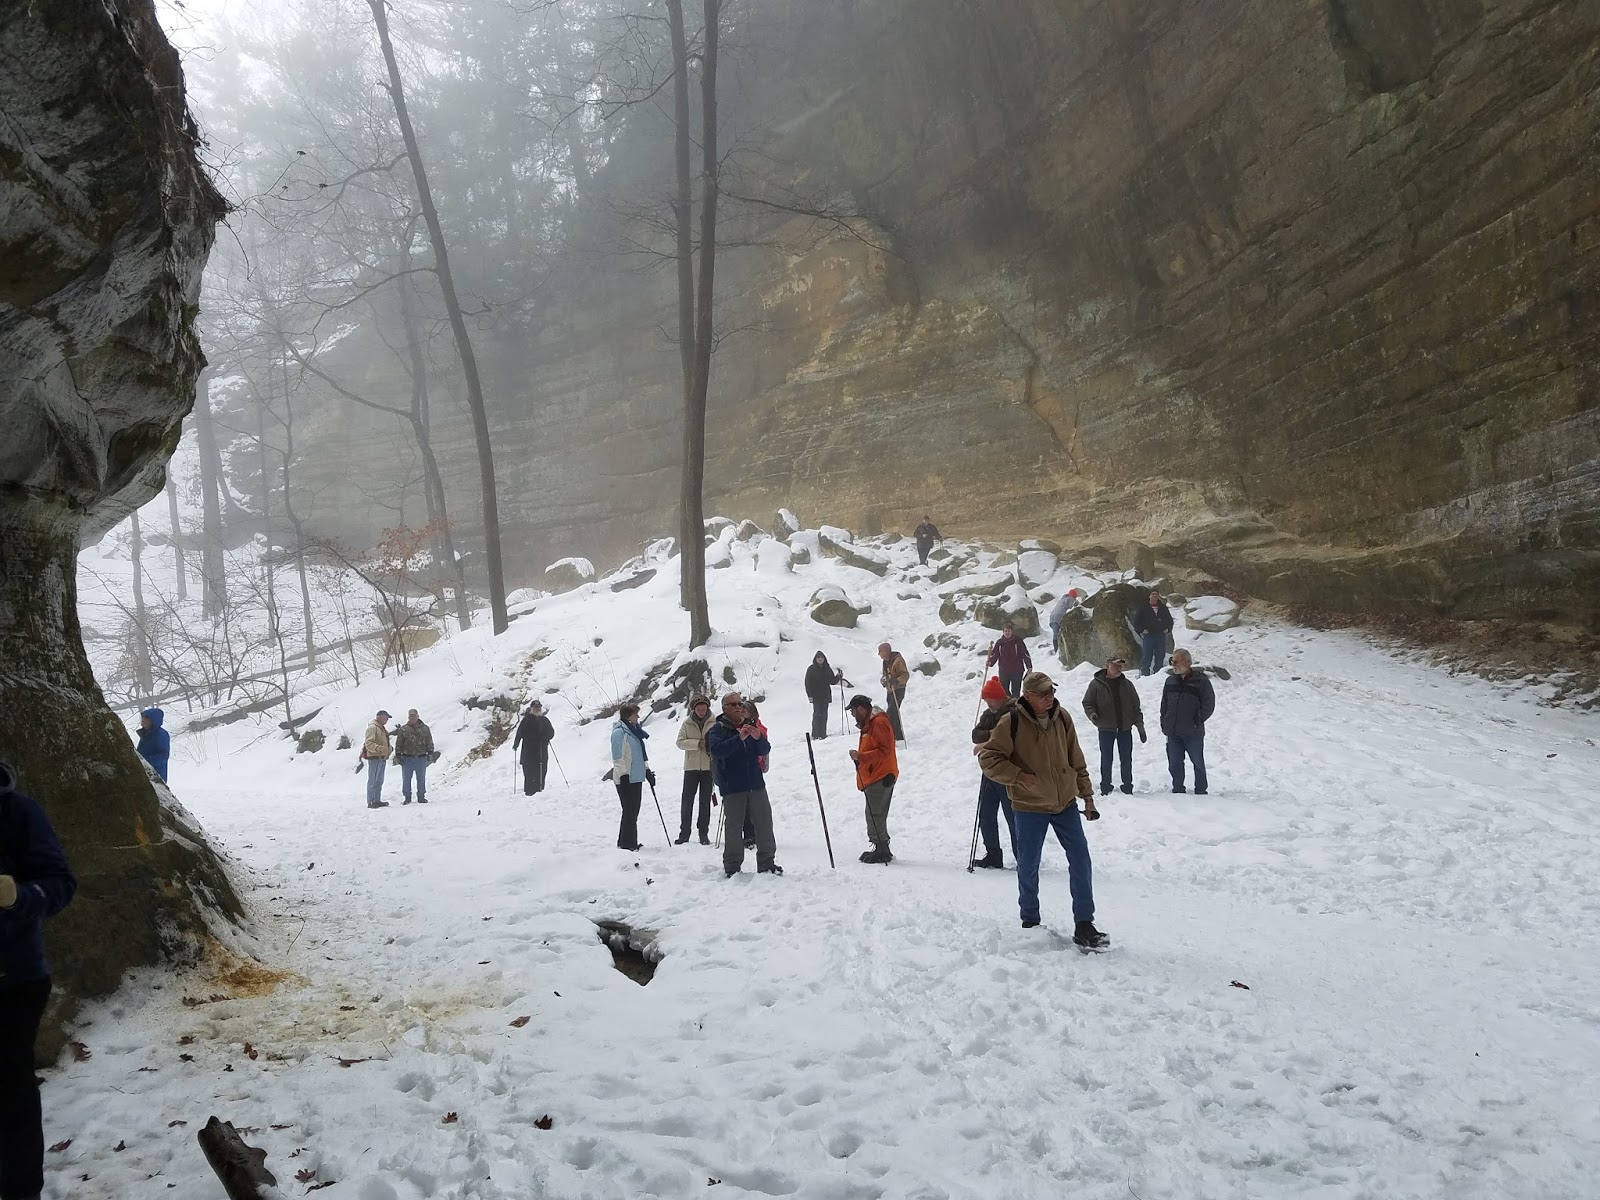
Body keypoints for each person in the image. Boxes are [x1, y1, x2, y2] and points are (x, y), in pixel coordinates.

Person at [977, 671, 1107, 947]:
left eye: (1052, 691)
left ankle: (1085, 923)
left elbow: (1076, 759)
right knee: (1028, 864)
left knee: (1081, 859)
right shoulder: (1011, 722)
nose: (1050, 697)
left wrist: (1087, 796)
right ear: (1028, 696)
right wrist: (1018, 777)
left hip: (1065, 804)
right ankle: (1030, 921)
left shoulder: (1062, 717)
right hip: (1029, 806)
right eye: (1044, 693)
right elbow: (989, 758)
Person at [0, 760, 77, 1200]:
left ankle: (21, 1191)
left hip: (14, 980)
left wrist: (18, 896)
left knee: (11, 1092)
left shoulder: (18, 813)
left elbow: (61, 884)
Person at [705, 693, 781, 877]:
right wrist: (738, 739)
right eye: (734, 704)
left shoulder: (750, 725)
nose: (738, 707)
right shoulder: (717, 729)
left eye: (740, 704)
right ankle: (732, 867)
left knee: (764, 823)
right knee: (734, 827)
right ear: (725, 708)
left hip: (755, 783)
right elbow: (717, 750)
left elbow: (764, 749)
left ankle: (767, 863)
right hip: (732, 786)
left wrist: (758, 738)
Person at [969, 676, 1017, 869]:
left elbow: (1010, 738)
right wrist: (992, 736)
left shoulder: (1014, 712)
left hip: (1007, 772)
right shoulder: (988, 714)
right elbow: (975, 735)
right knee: (986, 816)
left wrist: (986, 742)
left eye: (989, 699)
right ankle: (993, 855)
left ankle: (1023, 858)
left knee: (1013, 818)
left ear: (998, 697)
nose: (987, 703)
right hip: (989, 771)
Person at [846, 694, 898, 864]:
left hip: (881, 774)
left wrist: (861, 757)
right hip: (876, 773)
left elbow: (885, 751)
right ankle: (881, 848)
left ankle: (882, 850)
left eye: (853, 711)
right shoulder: (870, 722)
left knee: (875, 813)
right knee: (874, 812)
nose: (852, 714)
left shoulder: (878, 723)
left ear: (861, 709)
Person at [1082, 656, 1145, 796]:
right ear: (1107, 665)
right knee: (1106, 758)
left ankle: (1127, 786)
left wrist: (1140, 725)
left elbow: (1135, 706)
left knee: (1126, 759)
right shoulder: (1096, 684)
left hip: (1125, 728)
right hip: (1106, 728)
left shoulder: (1127, 684)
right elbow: (1087, 703)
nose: (1118, 668)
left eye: (1120, 666)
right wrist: (1092, 715)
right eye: (1115, 665)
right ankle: (1105, 787)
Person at [1161, 649, 1216, 794]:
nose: (1173, 664)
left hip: (1193, 732)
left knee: (1197, 761)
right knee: (1174, 763)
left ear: (1187, 662)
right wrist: (1164, 721)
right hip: (1173, 731)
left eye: (1176, 661)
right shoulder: (1170, 681)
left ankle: (1201, 790)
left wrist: (1197, 720)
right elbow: (1164, 704)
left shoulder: (1201, 681)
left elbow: (1209, 704)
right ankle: (1178, 789)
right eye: (1172, 661)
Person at [609, 704, 654, 850]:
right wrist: (623, 777)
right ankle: (627, 843)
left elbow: (640, 755)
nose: (638, 717)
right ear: (628, 716)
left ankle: (628, 842)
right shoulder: (619, 733)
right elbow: (618, 758)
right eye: (635, 714)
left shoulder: (634, 732)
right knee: (629, 811)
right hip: (626, 778)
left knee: (633, 811)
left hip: (636, 777)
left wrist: (647, 771)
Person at [674, 695, 714, 845]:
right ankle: (684, 833)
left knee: (705, 802)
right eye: (699, 709)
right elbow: (679, 742)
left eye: (704, 709)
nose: (702, 712)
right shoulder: (687, 723)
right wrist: (697, 744)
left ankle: (703, 833)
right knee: (687, 801)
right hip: (691, 768)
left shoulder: (714, 722)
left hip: (708, 768)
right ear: (694, 710)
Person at [393, 709, 436, 805]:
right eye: (411, 716)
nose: (412, 718)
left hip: (421, 757)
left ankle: (421, 797)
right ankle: (407, 797)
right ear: (408, 717)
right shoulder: (403, 729)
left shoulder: (425, 728)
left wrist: (430, 753)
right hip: (407, 758)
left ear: (418, 716)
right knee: (406, 779)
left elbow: (429, 741)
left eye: (414, 716)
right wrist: (398, 755)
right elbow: (399, 743)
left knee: (421, 778)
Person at [512, 701, 555, 796]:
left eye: (539, 707)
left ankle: (540, 791)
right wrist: (516, 744)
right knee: (529, 773)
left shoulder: (545, 720)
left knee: (541, 771)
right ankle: (529, 792)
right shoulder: (526, 720)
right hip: (528, 752)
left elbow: (551, 732)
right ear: (531, 709)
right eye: (535, 707)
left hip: (541, 752)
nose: (538, 709)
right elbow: (520, 733)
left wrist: (545, 737)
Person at [985, 622, 1033, 698]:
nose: (1007, 633)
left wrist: (1029, 666)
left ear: (1012, 631)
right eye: (1006, 631)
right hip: (1004, 671)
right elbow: (995, 654)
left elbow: (1025, 654)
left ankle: (1015, 703)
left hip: (1017, 671)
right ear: (1003, 632)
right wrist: (990, 662)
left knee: (1016, 692)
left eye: (1009, 631)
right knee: (1004, 692)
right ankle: (1009, 703)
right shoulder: (1000, 643)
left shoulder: (1018, 641)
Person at [1133, 590, 1174, 676]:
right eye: (1153, 594)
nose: (1155, 596)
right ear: (1149, 596)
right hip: (1149, 635)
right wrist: (1142, 630)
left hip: (1160, 635)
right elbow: (1136, 622)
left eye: (1156, 595)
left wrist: (1168, 629)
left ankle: (1158, 673)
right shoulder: (1143, 607)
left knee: (1160, 655)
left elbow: (1170, 620)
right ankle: (1144, 673)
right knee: (1147, 655)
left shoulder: (1163, 608)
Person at [804, 652, 845, 740]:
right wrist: (809, 695)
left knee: (824, 715)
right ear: (815, 659)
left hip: (825, 695)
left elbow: (832, 681)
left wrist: (838, 676)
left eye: (822, 657)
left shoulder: (827, 668)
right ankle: (815, 734)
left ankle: (823, 734)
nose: (820, 659)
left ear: (824, 659)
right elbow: (807, 683)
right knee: (817, 714)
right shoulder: (811, 669)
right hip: (816, 695)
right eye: (818, 657)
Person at [878, 642, 909, 742]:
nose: (879, 654)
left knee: (891, 713)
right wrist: (884, 681)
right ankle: (898, 736)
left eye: (880, 651)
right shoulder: (885, 662)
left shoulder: (898, 660)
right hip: (890, 690)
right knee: (894, 714)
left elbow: (905, 675)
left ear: (886, 651)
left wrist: (896, 681)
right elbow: (885, 675)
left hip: (898, 690)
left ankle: (890, 736)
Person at [361, 710, 392, 809]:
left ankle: (377, 800)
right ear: (380, 717)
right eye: (386, 718)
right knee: (373, 780)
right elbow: (368, 743)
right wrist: (378, 748)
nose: (387, 720)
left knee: (379, 781)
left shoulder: (381, 728)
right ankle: (371, 801)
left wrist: (389, 749)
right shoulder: (372, 728)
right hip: (375, 757)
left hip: (382, 757)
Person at [135, 707, 169, 782]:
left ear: (153, 720)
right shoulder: (146, 734)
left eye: (146, 719)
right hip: (144, 772)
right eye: (142, 719)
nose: (143, 721)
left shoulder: (160, 734)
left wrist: (144, 762)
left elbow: (162, 756)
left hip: (156, 775)